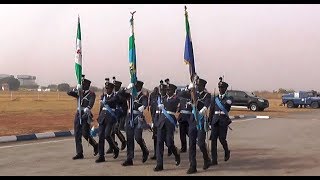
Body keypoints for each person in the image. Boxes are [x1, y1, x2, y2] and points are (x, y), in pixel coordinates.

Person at [67, 75, 98, 160]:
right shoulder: (79, 92)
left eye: (84, 84)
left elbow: (91, 103)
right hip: (78, 114)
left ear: (87, 85)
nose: (83, 85)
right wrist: (75, 89)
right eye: (82, 84)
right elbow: (69, 93)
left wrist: (88, 108)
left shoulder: (91, 94)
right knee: (77, 134)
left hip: (85, 114)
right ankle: (79, 153)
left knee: (85, 133)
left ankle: (95, 145)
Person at [186, 77, 212, 174]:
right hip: (193, 121)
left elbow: (207, 103)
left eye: (199, 85)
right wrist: (190, 88)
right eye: (196, 85)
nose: (198, 87)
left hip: (201, 121)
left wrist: (204, 109)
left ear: (203, 86)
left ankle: (206, 158)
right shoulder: (194, 93)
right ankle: (193, 166)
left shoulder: (207, 95)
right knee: (191, 144)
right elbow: (183, 96)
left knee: (201, 143)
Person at [153, 83, 181, 172]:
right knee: (159, 143)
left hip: (170, 122)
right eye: (167, 90)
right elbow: (157, 112)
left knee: (169, 143)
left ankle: (176, 154)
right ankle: (159, 164)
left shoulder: (176, 99)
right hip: (161, 123)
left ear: (173, 91)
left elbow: (172, 104)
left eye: (170, 90)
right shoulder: (163, 99)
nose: (168, 91)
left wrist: (163, 104)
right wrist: (155, 123)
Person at [122, 80, 149, 166]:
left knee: (137, 137)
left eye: (137, 87)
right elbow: (120, 95)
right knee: (129, 139)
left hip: (138, 118)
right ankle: (129, 158)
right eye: (134, 87)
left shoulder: (143, 96)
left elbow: (145, 103)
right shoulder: (130, 95)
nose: (135, 88)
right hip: (129, 117)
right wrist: (126, 89)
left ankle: (145, 150)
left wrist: (143, 106)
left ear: (140, 87)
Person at [208, 77, 233, 166]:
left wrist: (228, 102)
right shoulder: (214, 98)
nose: (221, 89)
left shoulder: (228, 98)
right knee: (213, 141)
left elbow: (228, 107)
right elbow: (211, 110)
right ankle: (214, 160)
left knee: (222, 139)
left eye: (222, 88)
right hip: (215, 121)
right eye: (219, 88)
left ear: (225, 89)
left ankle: (227, 151)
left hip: (223, 121)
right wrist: (209, 122)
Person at [95, 78, 120, 163]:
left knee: (106, 135)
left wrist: (104, 101)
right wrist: (99, 118)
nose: (107, 90)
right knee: (101, 136)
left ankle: (115, 148)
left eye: (108, 88)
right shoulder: (104, 96)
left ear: (112, 89)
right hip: (102, 118)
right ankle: (101, 156)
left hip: (110, 118)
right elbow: (101, 108)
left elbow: (112, 101)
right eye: (106, 88)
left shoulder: (115, 96)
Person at [106, 77, 127, 154]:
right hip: (113, 114)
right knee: (111, 131)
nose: (115, 88)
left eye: (116, 86)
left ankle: (123, 141)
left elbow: (124, 105)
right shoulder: (114, 94)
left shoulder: (121, 94)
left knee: (115, 130)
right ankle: (112, 146)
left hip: (120, 114)